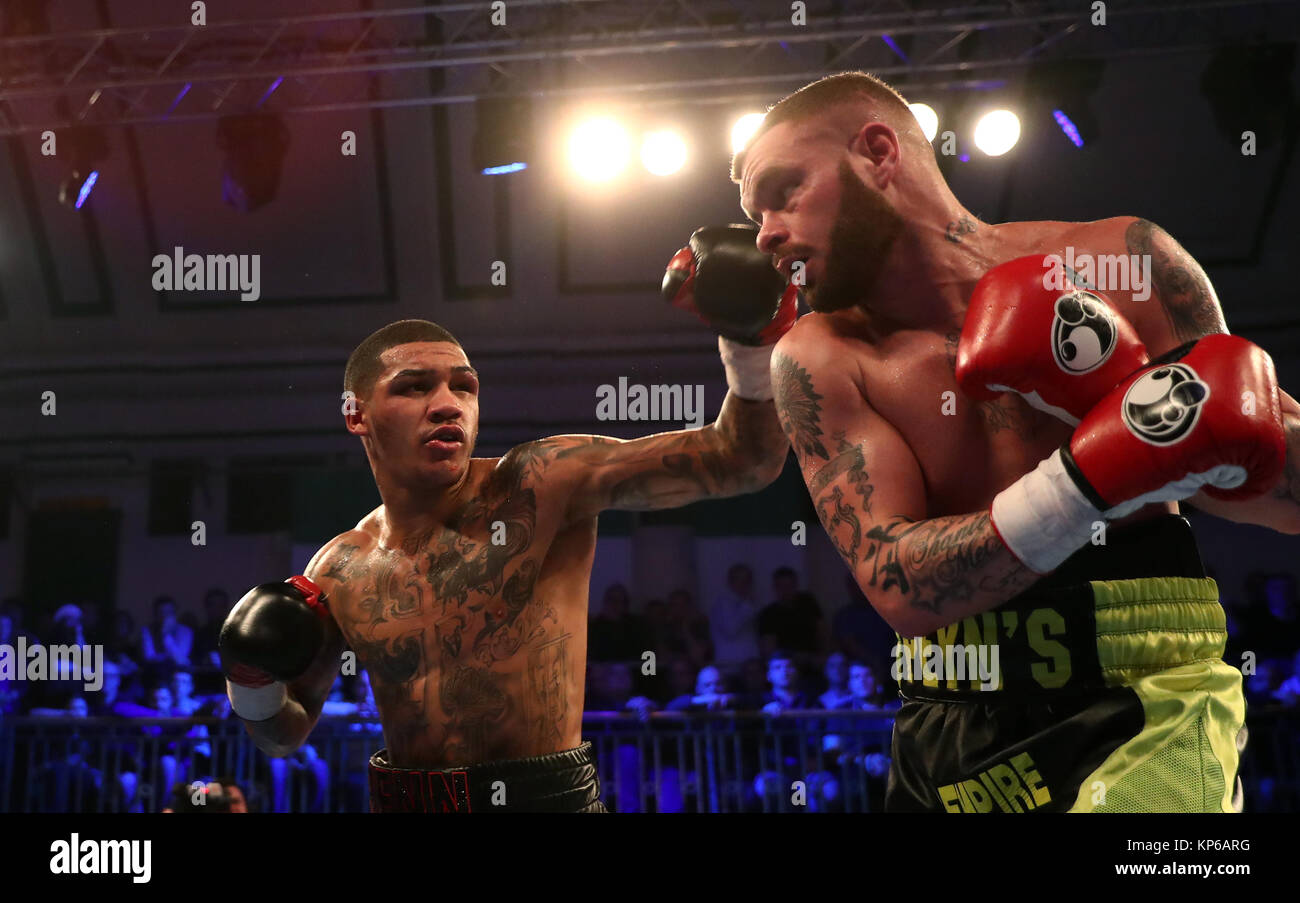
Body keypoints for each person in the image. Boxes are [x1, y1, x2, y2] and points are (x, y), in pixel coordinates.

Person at [734, 71, 1300, 812]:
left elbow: (1284, 494)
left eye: (784, 190)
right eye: (752, 215)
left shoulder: (1123, 261)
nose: (766, 231)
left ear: (878, 152)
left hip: (1144, 692)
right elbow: (898, 580)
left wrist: (1157, 400)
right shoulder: (819, 357)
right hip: (948, 713)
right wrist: (1092, 471)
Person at [220, 299, 793, 812]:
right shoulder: (339, 569)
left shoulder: (541, 482)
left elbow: (741, 457)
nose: (448, 405)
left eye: (463, 386)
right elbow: (282, 736)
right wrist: (249, 679)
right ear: (356, 413)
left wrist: (752, 334)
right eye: (414, 386)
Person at [710, 564, 762, 676]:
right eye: (739, 580)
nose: (744, 584)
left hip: (750, 667)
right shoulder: (723, 603)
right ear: (730, 581)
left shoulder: (750, 603)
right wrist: (747, 607)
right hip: (730, 668)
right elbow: (730, 629)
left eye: (747, 580)